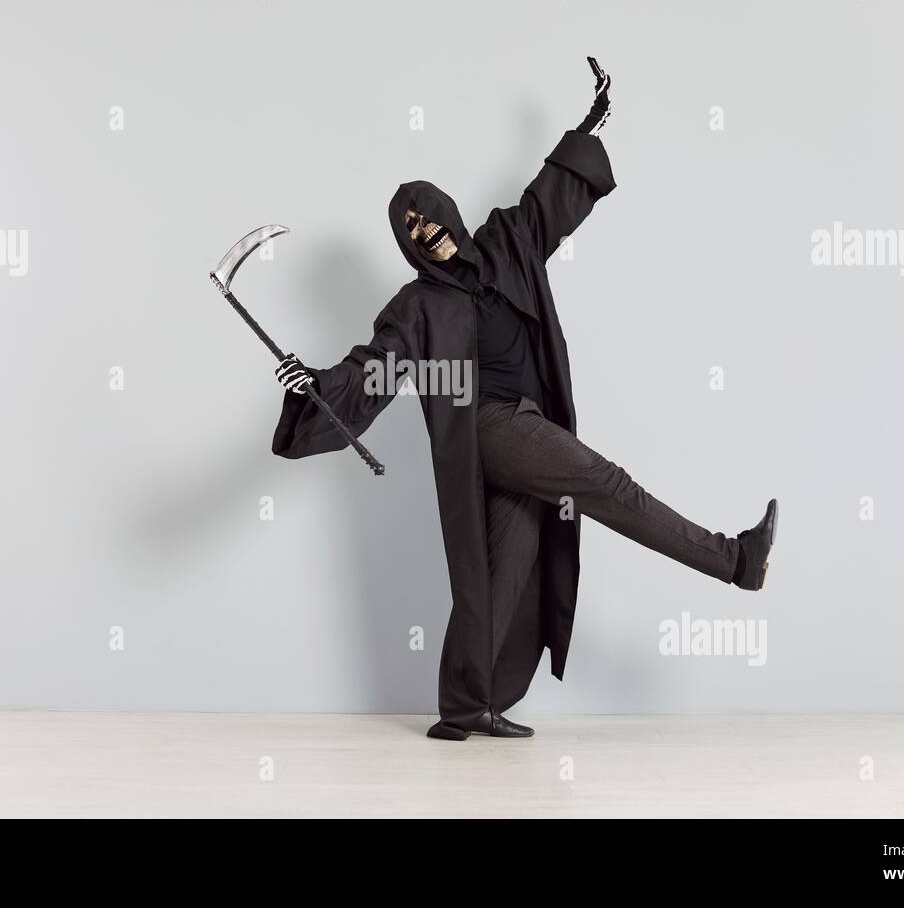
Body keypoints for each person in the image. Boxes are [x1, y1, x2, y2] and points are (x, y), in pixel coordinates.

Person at [271, 57, 778, 741]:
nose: (429, 232)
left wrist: (588, 125)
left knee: (505, 572)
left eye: (431, 217)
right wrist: (314, 389)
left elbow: (547, 200)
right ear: (411, 246)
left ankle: (463, 706)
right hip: (490, 428)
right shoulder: (416, 306)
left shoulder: (507, 245)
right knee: (608, 485)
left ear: (448, 212)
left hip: (527, 426)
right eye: (413, 231)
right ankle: (733, 559)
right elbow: (373, 370)